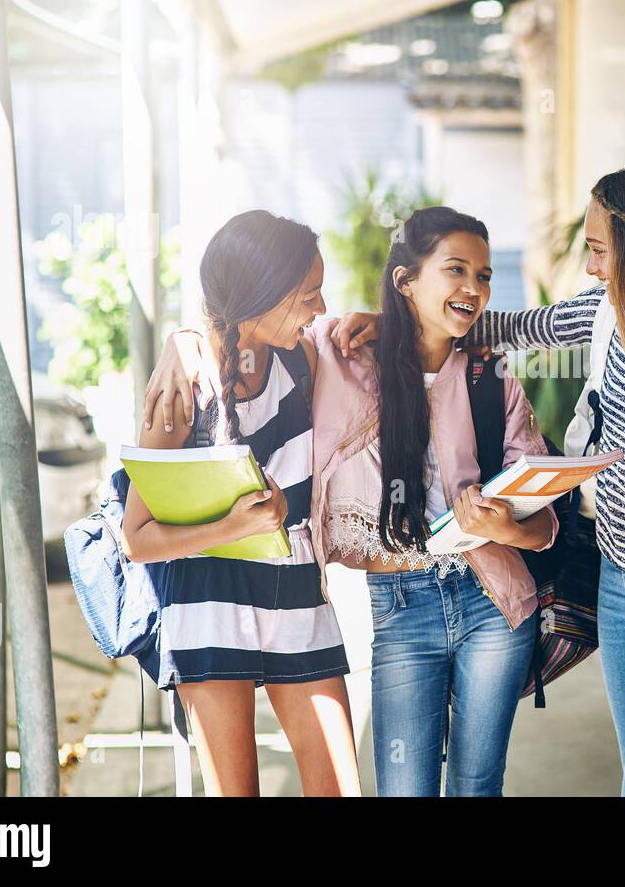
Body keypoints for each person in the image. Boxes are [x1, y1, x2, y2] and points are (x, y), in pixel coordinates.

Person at [335, 158, 625, 796]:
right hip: (617, 581)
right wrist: (404, 318)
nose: (592, 267)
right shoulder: (606, 317)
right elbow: (511, 327)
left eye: (600, 250)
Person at [143, 207, 556, 796]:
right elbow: (243, 322)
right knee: (401, 787)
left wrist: (507, 528)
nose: (474, 287)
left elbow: (543, 524)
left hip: (490, 598)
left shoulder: (492, 379)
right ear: (405, 280)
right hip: (398, 602)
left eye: (485, 277)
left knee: (477, 784)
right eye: (456, 270)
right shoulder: (337, 353)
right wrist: (181, 341)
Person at [122, 209, 359, 797]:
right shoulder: (185, 389)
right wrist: (231, 526)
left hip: (297, 586)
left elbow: (368, 330)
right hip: (208, 597)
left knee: (340, 788)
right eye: (308, 294)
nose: (321, 307)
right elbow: (138, 537)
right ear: (264, 294)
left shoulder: (300, 358)